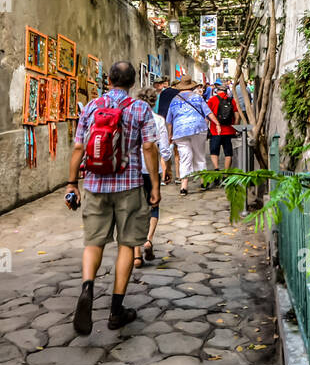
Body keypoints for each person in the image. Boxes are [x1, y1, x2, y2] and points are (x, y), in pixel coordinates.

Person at [66, 61, 160, 334]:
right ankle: (116, 310)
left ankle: (88, 288)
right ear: (132, 83)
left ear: (108, 80)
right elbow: (149, 147)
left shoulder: (92, 107)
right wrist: (154, 185)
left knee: (93, 242)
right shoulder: (140, 108)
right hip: (129, 186)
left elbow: (79, 148)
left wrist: (72, 184)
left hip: (95, 185)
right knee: (127, 245)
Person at [135, 85, 171, 266]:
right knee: (153, 206)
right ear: (154, 102)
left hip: (133, 170)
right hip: (152, 170)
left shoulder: (132, 119)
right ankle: (148, 239)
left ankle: (136, 254)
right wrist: (168, 168)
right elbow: (164, 149)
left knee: (134, 210)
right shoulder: (158, 120)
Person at [166, 77, 217, 195]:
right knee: (199, 156)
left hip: (180, 131)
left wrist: (170, 134)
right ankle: (203, 182)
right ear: (191, 86)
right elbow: (208, 112)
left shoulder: (174, 100)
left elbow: (170, 120)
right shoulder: (197, 97)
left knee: (185, 157)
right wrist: (217, 123)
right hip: (198, 128)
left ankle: (184, 187)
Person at [207, 79, 240, 173]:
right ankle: (226, 173)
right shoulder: (231, 100)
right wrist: (235, 127)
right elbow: (237, 116)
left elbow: (207, 115)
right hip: (229, 130)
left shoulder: (212, 100)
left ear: (217, 91)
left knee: (214, 151)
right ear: (226, 91)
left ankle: (216, 169)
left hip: (215, 130)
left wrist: (206, 128)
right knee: (228, 153)